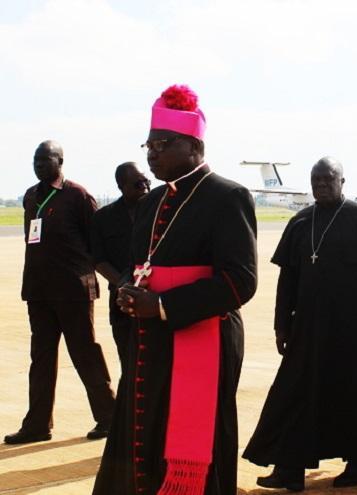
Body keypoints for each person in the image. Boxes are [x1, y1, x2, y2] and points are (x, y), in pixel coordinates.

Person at [93, 84, 258, 495]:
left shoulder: (227, 196)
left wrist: (163, 305)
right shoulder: (150, 202)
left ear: (193, 146)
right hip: (149, 339)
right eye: (148, 144)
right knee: (144, 431)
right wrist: (130, 290)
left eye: (160, 144)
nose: (150, 154)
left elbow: (241, 280)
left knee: (191, 440)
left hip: (202, 335)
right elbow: (141, 266)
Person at [244, 158, 357, 491]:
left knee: (355, 393)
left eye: (328, 179)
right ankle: (290, 468)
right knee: (296, 393)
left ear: (343, 181)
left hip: (355, 327)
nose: (321, 185)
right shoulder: (299, 222)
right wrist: (281, 325)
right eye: (316, 180)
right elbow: (288, 280)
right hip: (308, 327)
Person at [4, 140, 116, 445]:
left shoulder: (77, 196)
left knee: (84, 353)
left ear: (60, 161)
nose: (38, 165)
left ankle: (109, 418)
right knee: (40, 357)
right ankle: (38, 425)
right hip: (39, 291)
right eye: (35, 160)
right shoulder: (30, 196)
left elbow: (96, 243)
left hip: (72, 289)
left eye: (45, 159)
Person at [90, 162, 150, 375]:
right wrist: (123, 284)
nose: (144, 187)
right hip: (121, 301)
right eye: (137, 184)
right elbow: (98, 260)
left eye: (146, 181)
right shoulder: (103, 218)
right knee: (130, 364)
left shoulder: (159, 213)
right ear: (121, 186)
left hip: (155, 299)